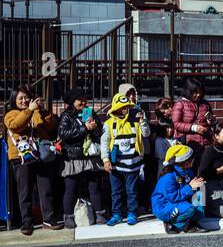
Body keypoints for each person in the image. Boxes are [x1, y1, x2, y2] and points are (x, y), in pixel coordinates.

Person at [4, 86, 58, 235]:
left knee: (45, 189)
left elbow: (51, 125)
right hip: (21, 157)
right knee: (25, 191)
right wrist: (29, 111)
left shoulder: (36, 112)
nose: (24, 100)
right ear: (14, 100)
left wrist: (42, 110)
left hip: (40, 154)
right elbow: (16, 125)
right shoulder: (10, 114)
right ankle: (26, 222)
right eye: (20, 98)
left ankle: (49, 218)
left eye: (26, 97)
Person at [58, 89, 106, 228]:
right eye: (80, 100)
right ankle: (68, 217)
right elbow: (63, 133)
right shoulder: (66, 116)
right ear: (73, 102)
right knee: (70, 188)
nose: (84, 102)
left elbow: (99, 133)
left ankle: (99, 214)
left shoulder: (90, 113)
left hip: (90, 156)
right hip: (73, 157)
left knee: (94, 187)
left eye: (85, 99)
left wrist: (94, 127)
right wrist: (84, 128)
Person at [101, 91, 147, 227]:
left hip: (133, 163)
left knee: (132, 190)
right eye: (122, 107)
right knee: (116, 191)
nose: (124, 109)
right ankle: (117, 214)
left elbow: (146, 133)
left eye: (127, 107)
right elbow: (104, 142)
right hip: (116, 164)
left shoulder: (135, 121)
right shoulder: (109, 123)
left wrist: (142, 121)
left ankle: (132, 212)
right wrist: (105, 159)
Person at [151, 143, 209, 234]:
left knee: (200, 197)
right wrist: (190, 187)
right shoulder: (168, 176)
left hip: (179, 200)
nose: (194, 159)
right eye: (191, 158)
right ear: (185, 161)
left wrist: (198, 185)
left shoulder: (187, 171)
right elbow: (173, 197)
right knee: (189, 209)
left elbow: (192, 187)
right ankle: (172, 223)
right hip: (164, 205)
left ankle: (192, 222)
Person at [171, 79, 215, 153]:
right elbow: (175, 123)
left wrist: (212, 121)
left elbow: (213, 123)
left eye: (200, 92)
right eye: (196, 92)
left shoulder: (205, 104)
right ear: (189, 91)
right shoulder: (180, 104)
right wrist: (193, 127)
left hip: (206, 142)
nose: (198, 94)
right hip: (188, 144)